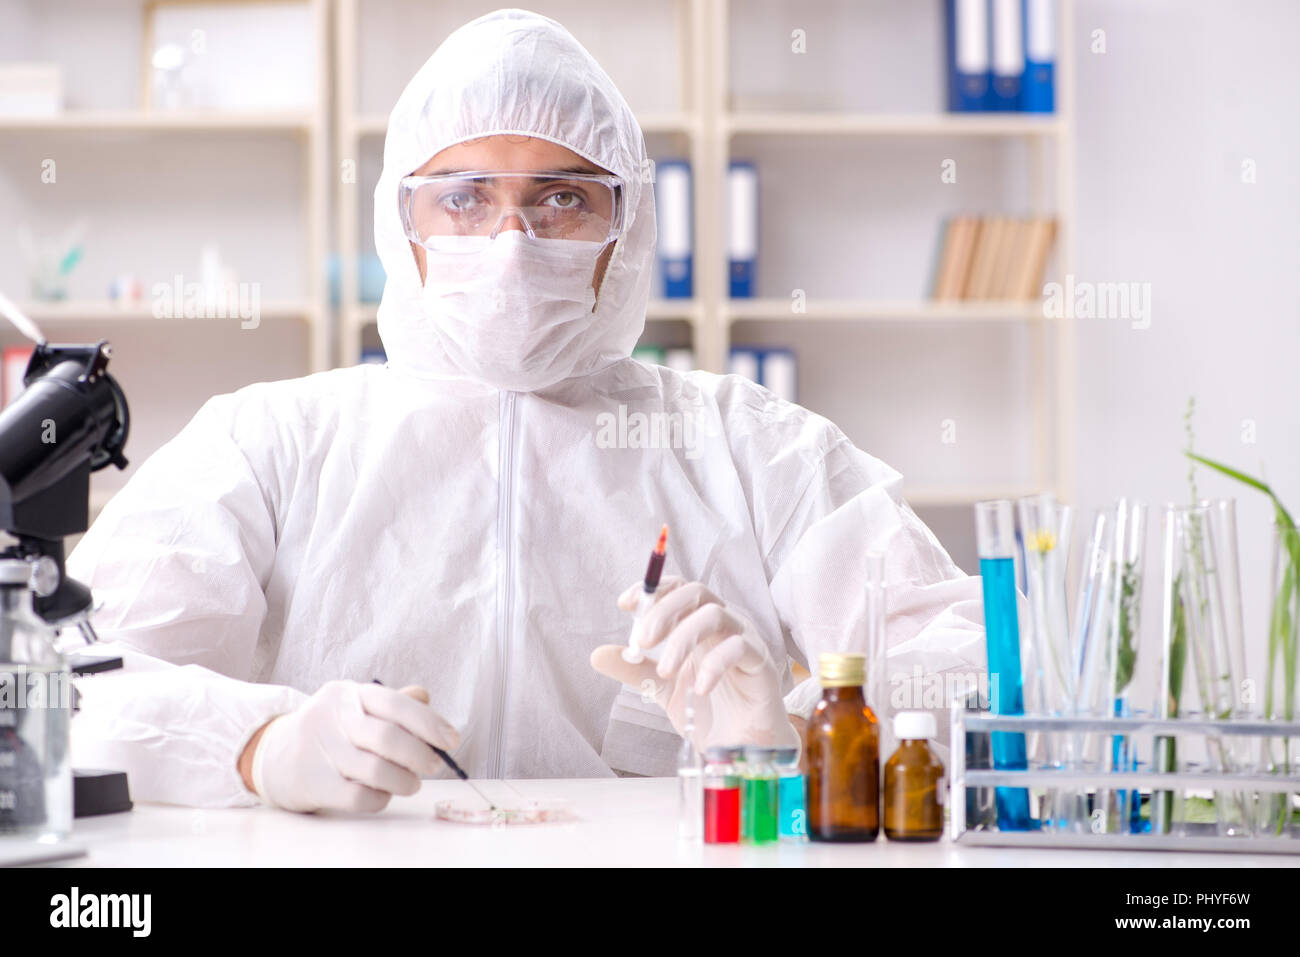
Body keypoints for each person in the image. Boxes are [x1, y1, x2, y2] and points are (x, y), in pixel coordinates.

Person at [67, 9, 985, 813]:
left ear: (624, 230)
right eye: (464, 198)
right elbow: (64, 677)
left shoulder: (752, 447)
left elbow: (966, 669)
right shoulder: (271, 444)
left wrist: (782, 740)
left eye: (562, 198)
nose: (511, 246)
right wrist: (258, 745)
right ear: (403, 224)